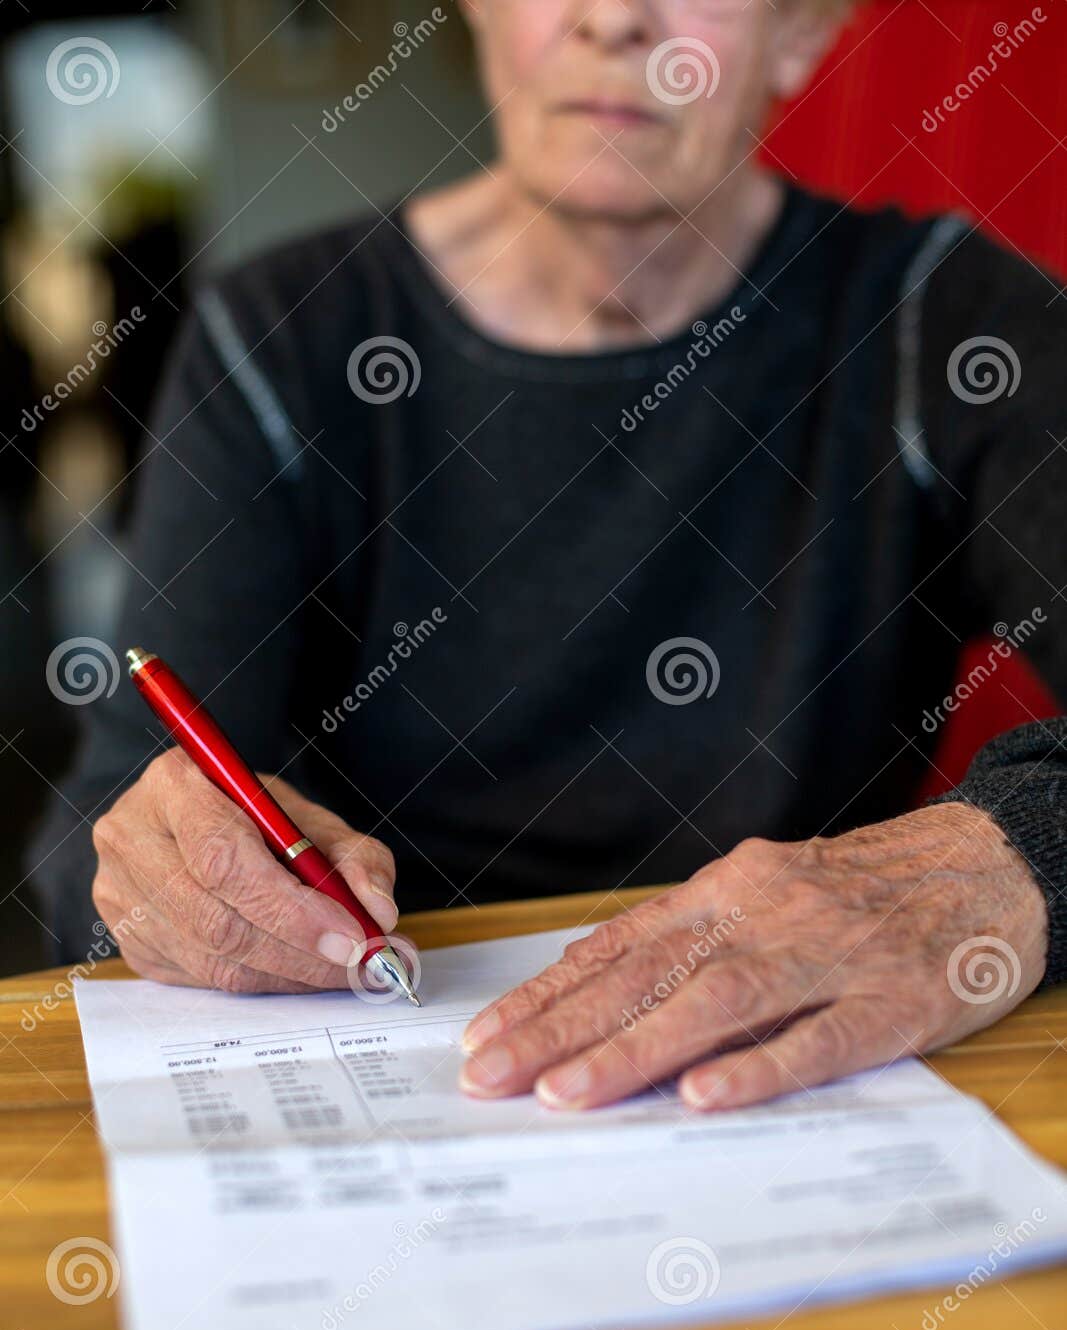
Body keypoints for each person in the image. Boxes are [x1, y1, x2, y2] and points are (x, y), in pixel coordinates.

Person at [30, 0, 1067, 1113]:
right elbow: (98, 837)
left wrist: (1009, 854)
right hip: (391, 1071)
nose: (614, 19)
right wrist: (154, 878)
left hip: (794, 1082)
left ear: (802, 31)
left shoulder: (948, 323)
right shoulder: (283, 335)